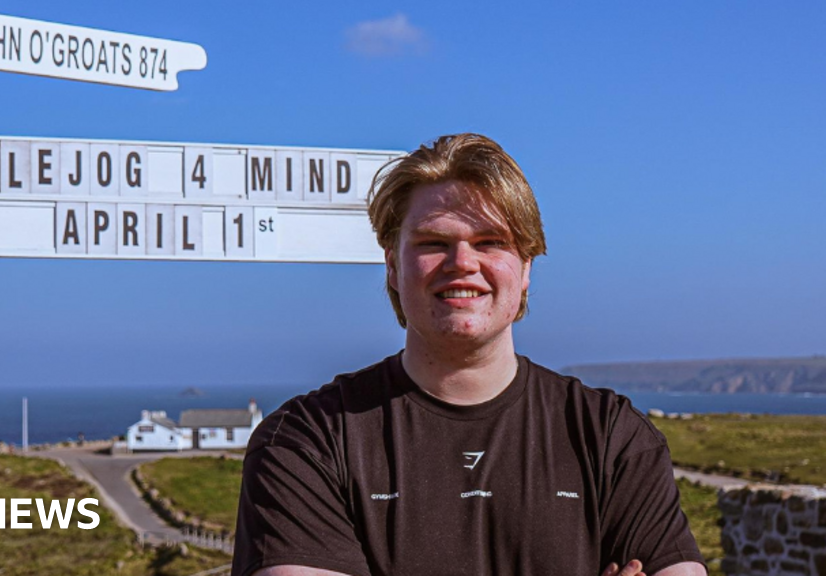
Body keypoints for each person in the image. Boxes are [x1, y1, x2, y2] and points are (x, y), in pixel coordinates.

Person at [232, 134, 707, 576]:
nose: (463, 263)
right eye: (434, 243)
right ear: (394, 266)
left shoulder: (612, 438)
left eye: (491, 243)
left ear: (525, 268)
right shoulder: (305, 442)